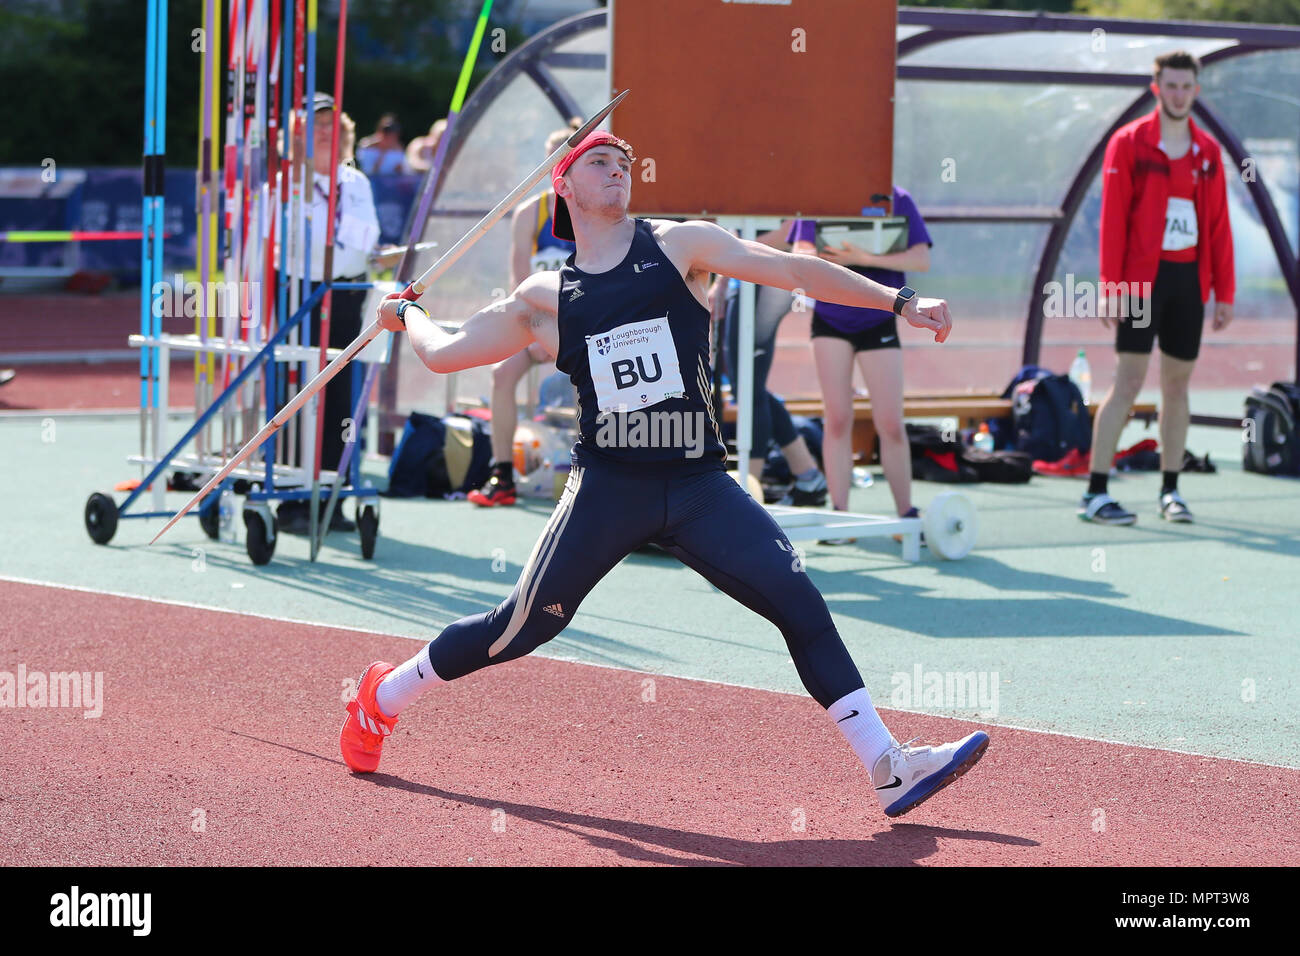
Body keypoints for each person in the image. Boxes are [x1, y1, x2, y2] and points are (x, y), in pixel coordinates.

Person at [340, 130, 987, 819]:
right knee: (516, 632)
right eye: (599, 162)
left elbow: (796, 271)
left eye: (625, 164)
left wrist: (899, 302)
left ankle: (888, 765)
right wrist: (406, 313)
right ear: (563, 185)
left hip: (698, 484)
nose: (618, 171)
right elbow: (445, 355)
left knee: (800, 604)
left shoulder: (683, 246)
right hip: (608, 490)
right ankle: (382, 697)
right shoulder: (546, 294)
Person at [1082, 50, 1234, 526]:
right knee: (1127, 381)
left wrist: (1223, 292)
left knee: (1177, 386)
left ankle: (1171, 491)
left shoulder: (1207, 152)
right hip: (1139, 283)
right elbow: (1112, 223)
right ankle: (1096, 493)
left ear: (1197, 90)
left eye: (1186, 86)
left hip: (1187, 281)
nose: (1178, 94)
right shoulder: (1128, 143)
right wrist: (1111, 286)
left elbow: (1218, 224)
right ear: (1156, 88)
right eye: (1170, 85)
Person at [788, 186, 933, 541]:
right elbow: (799, 253)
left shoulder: (897, 198)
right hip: (830, 320)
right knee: (836, 419)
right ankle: (840, 516)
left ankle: (906, 515)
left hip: (880, 319)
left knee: (891, 422)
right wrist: (836, 256)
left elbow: (920, 259)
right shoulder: (820, 195)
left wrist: (863, 255)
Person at [279, 92, 382, 534]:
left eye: (334, 127)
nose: (327, 134)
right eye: (317, 127)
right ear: (297, 136)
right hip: (300, 293)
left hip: (348, 294)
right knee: (299, 391)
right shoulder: (284, 184)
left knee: (342, 392)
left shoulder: (356, 182)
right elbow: (283, 244)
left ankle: (332, 495)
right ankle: (291, 498)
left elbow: (367, 239)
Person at [468, 121, 581, 507]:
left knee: (591, 382)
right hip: (537, 319)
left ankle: (592, 476)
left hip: (583, 323)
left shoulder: (595, 209)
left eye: (571, 157)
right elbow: (521, 285)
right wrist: (539, 333)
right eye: (556, 158)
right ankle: (502, 474)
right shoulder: (531, 214)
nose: (561, 166)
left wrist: (558, 333)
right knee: (501, 373)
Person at [714, 223, 828, 506]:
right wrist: (722, 282)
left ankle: (748, 492)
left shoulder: (779, 185)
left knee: (748, 388)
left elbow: (791, 231)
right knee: (747, 386)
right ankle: (808, 476)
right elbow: (731, 231)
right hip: (741, 278)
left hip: (768, 278)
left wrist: (735, 247)